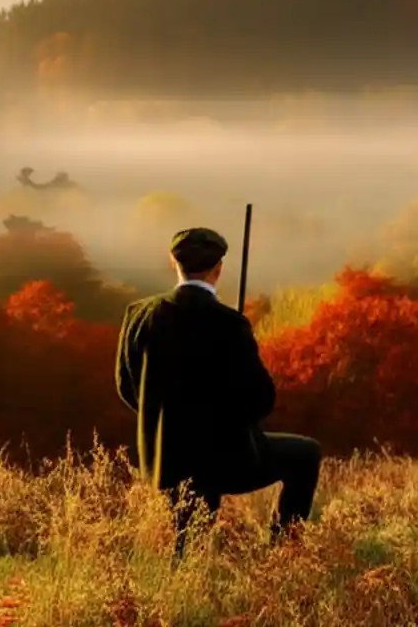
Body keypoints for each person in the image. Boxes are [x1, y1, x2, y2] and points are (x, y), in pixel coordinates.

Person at [115, 227, 322, 549]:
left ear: (173, 261)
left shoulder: (139, 315)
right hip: (225, 458)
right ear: (219, 268)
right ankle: (284, 552)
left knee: (190, 541)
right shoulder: (229, 324)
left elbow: (126, 386)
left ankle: (185, 579)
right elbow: (261, 398)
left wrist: (167, 423)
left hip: (163, 457)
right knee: (306, 453)